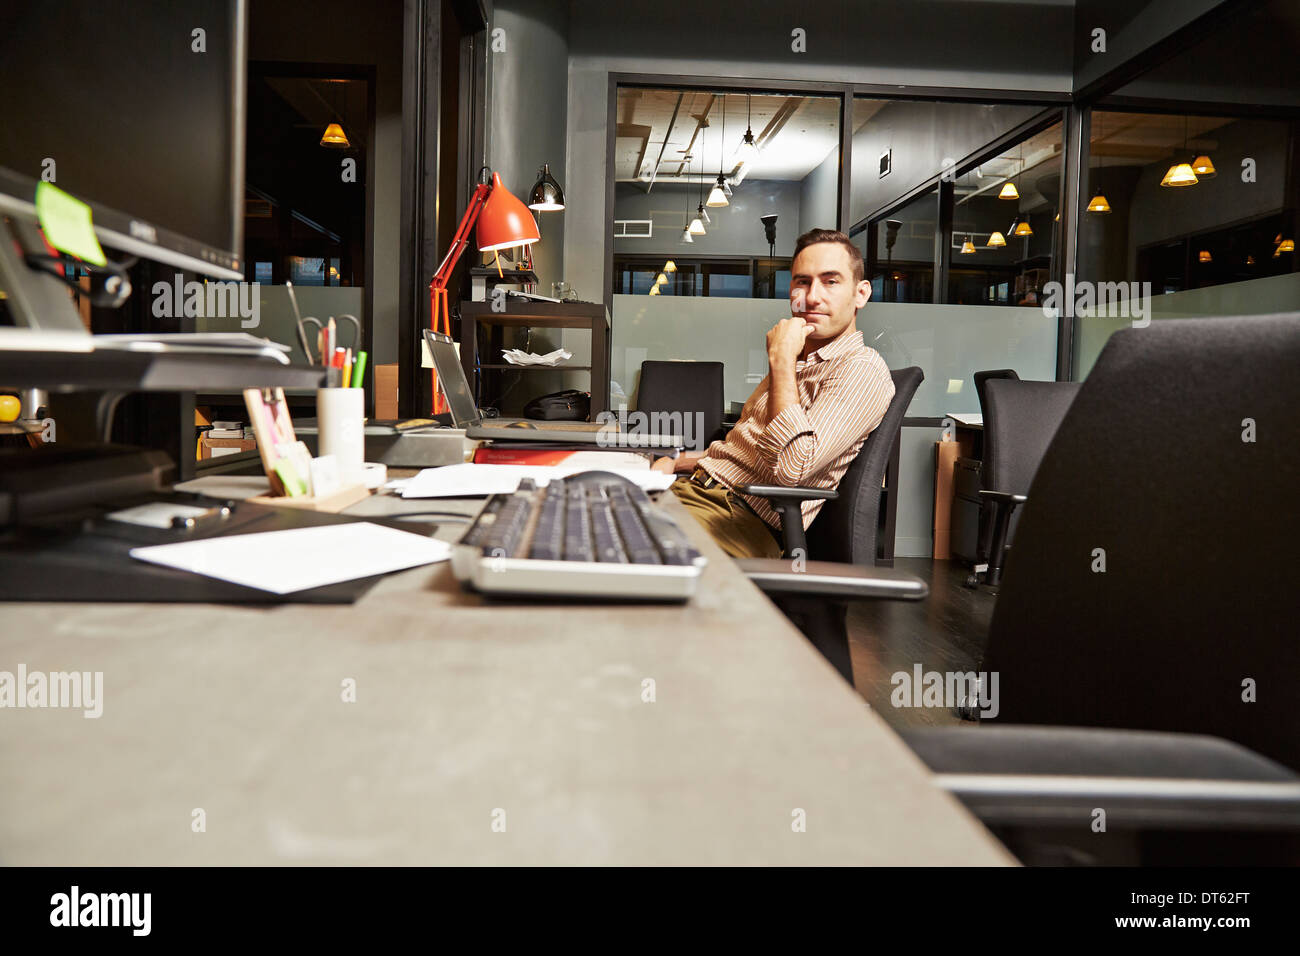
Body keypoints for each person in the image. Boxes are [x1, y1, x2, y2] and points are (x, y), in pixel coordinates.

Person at [651, 228, 895, 559]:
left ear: (861, 293)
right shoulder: (796, 360)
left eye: (831, 281)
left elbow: (791, 471)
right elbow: (741, 448)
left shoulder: (861, 369)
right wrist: (676, 461)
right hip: (695, 493)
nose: (811, 297)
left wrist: (781, 360)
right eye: (802, 282)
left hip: (735, 520)